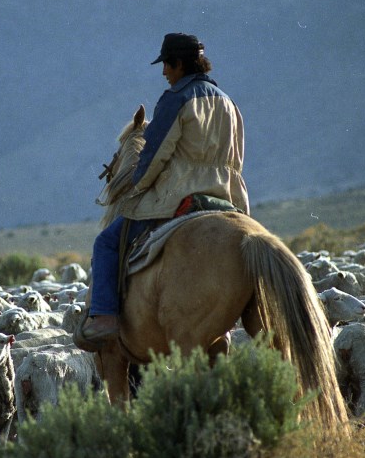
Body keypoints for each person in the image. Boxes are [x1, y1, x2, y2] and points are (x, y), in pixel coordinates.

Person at [79, 32, 250, 347]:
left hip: (180, 196)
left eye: (167, 65)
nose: (164, 73)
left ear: (179, 64)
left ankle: (103, 317)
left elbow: (154, 154)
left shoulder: (176, 99)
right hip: (228, 198)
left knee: (106, 244)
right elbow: (236, 157)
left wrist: (137, 187)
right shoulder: (229, 102)